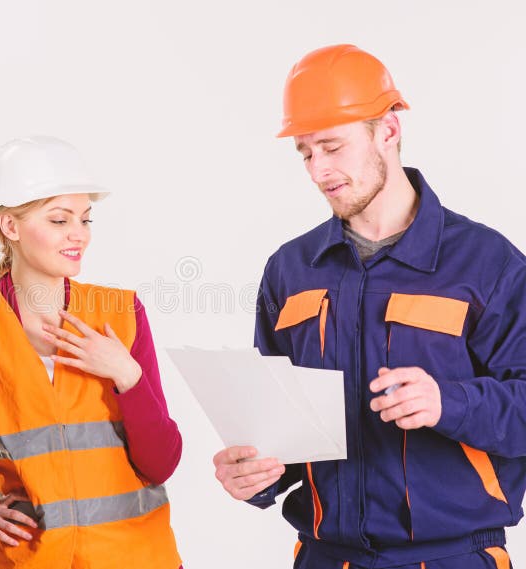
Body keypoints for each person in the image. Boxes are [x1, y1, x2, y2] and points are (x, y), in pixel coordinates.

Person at [213, 44, 523, 569]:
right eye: (306, 153)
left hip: (451, 558)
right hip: (324, 558)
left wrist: (448, 403)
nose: (317, 170)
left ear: (389, 132)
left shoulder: (488, 264)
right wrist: (255, 473)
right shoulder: (291, 270)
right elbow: (281, 427)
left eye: (332, 147)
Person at [0, 135, 183, 568]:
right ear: (10, 226)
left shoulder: (121, 311)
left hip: (140, 558)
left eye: (85, 219)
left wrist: (126, 376)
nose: (79, 235)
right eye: (60, 220)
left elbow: (162, 463)